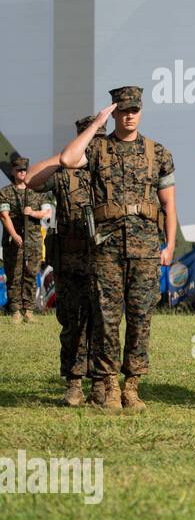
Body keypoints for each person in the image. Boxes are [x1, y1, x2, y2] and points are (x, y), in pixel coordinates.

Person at [60, 87, 178, 412]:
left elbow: (169, 203)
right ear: (114, 114)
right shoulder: (97, 148)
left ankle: (132, 387)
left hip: (146, 249)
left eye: (134, 110)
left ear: (141, 111)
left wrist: (169, 244)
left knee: (141, 318)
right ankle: (108, 385)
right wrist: (96, 122)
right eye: (123, 110)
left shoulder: (159, 153)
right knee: (106, 318)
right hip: (106, 248)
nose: (129, 115)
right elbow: (68, 159)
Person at [27, 117, 103, 405]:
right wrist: (63, 157)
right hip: (70, 260)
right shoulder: (63, 174)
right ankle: (73, 384)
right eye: (87, 138)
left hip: (103, 259)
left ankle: (100, 382)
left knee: (102, 322)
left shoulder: (109, 172)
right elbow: (31, 179)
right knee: (72, 321)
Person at [0, 155, 49, 323]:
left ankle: (28, 310)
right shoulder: (5, 192)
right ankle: (15, 310)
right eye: (18, 169)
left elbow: (46, 212)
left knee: (31, 273)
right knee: (13, 275)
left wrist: (33, 213)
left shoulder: (37, 191)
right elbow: (4, 216)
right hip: (13, 242)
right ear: (13, 171)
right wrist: (14, 235)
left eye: (24, 169)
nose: (21, 172)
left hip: (33, 241)